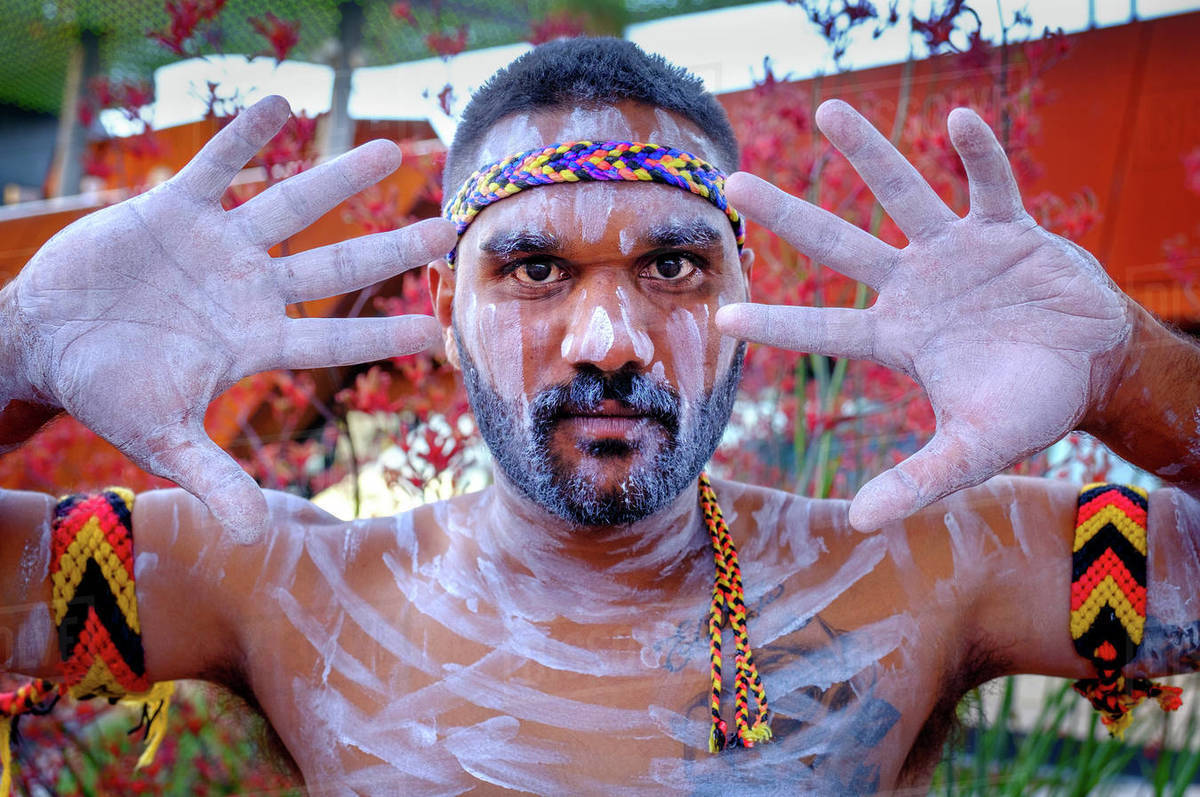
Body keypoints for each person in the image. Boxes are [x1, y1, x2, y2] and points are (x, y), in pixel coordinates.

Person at [0, 37, 1198, 794]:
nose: (609, 341)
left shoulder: (925, 570)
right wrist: (21, 348)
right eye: (534, 269)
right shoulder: (279, 585)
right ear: (445, 307)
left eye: (673, 266)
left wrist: (1125, 369)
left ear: (744, 288)